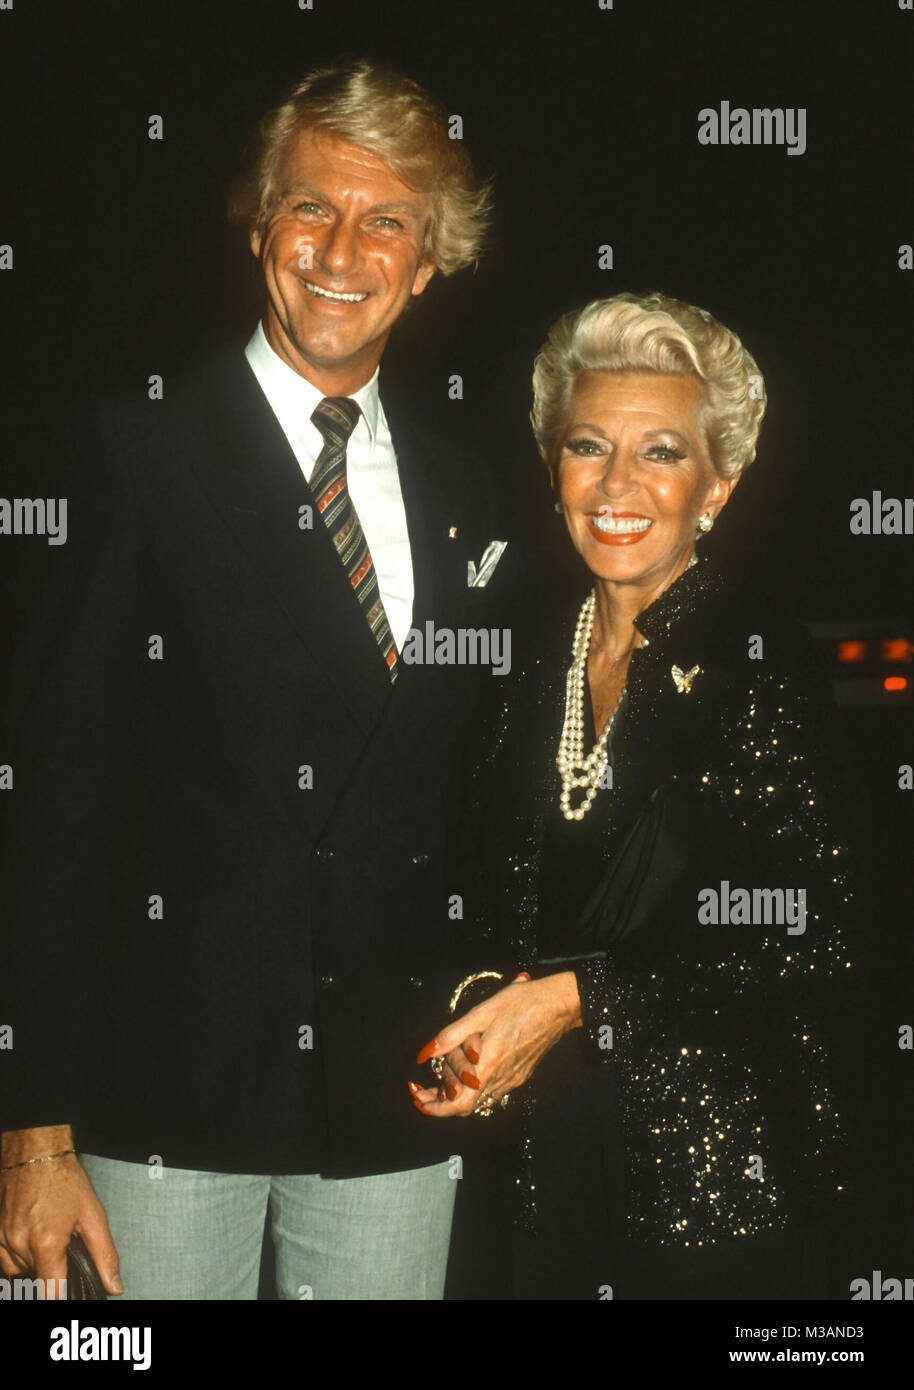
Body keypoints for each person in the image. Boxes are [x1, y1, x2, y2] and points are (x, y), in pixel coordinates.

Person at [0, 58, 500, 1300]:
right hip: (149, 1115)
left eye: (385, 219)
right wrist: (32, 1133)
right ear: (260, 224)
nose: (341, 247)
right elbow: (49, 810)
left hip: (394, 1105)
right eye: (309, 207)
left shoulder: (473, 494)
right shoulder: (127, 451)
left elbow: (477, 809)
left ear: (428, 261)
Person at [411, 292, 858, 1299]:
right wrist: (480, 1011)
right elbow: (493, 896)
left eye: (659, 452)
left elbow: (826, 934)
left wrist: (576, 1000)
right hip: (541, 1177)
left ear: (717, 486)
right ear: (552, 467)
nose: (614, 485)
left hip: (717, 1190)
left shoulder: (755, 663)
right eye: (586, 447)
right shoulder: (525, 659)